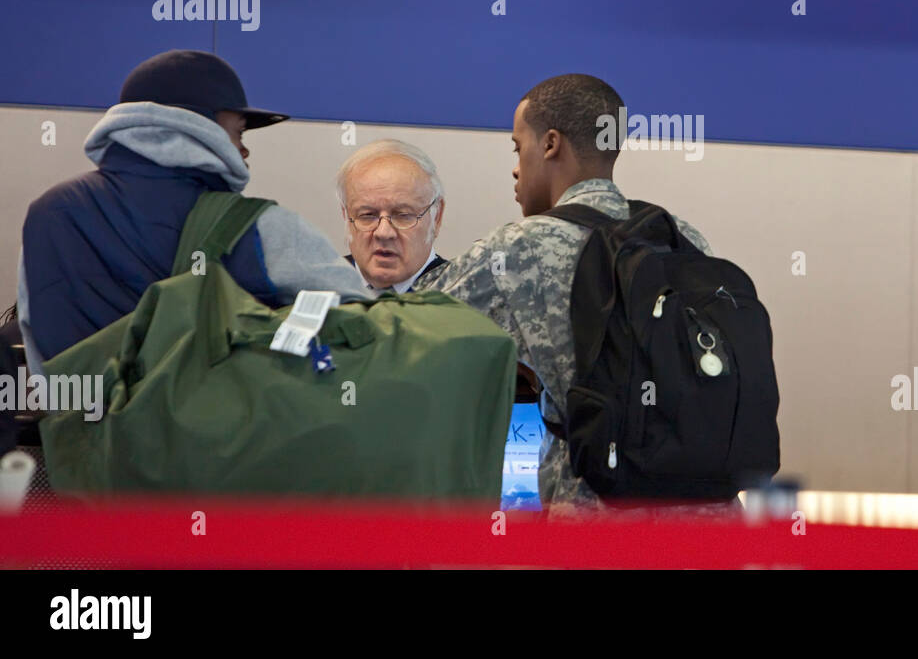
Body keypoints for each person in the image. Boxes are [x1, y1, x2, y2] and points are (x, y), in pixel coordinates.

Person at [415, 74, 717, 515]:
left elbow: (411, 319)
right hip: (712, 522)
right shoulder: (682, 235)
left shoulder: (521, 248)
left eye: (519, 148)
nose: (516, 166)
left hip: (601, 526)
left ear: (551, 144)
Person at [17, 50, 371, 373]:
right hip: (215, 441)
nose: (244, 152)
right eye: (239, 133)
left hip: (82, 437)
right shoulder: (256, 226)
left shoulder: (49, 214)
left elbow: (38, 348)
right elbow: (360, 326)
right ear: (202, 127)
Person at [336, 140, 447, 292]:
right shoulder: (312, 287)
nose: (383, 233)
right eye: (367, 215)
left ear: (436, 217)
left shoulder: (465, 298)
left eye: (402, 215)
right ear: (346, 215)